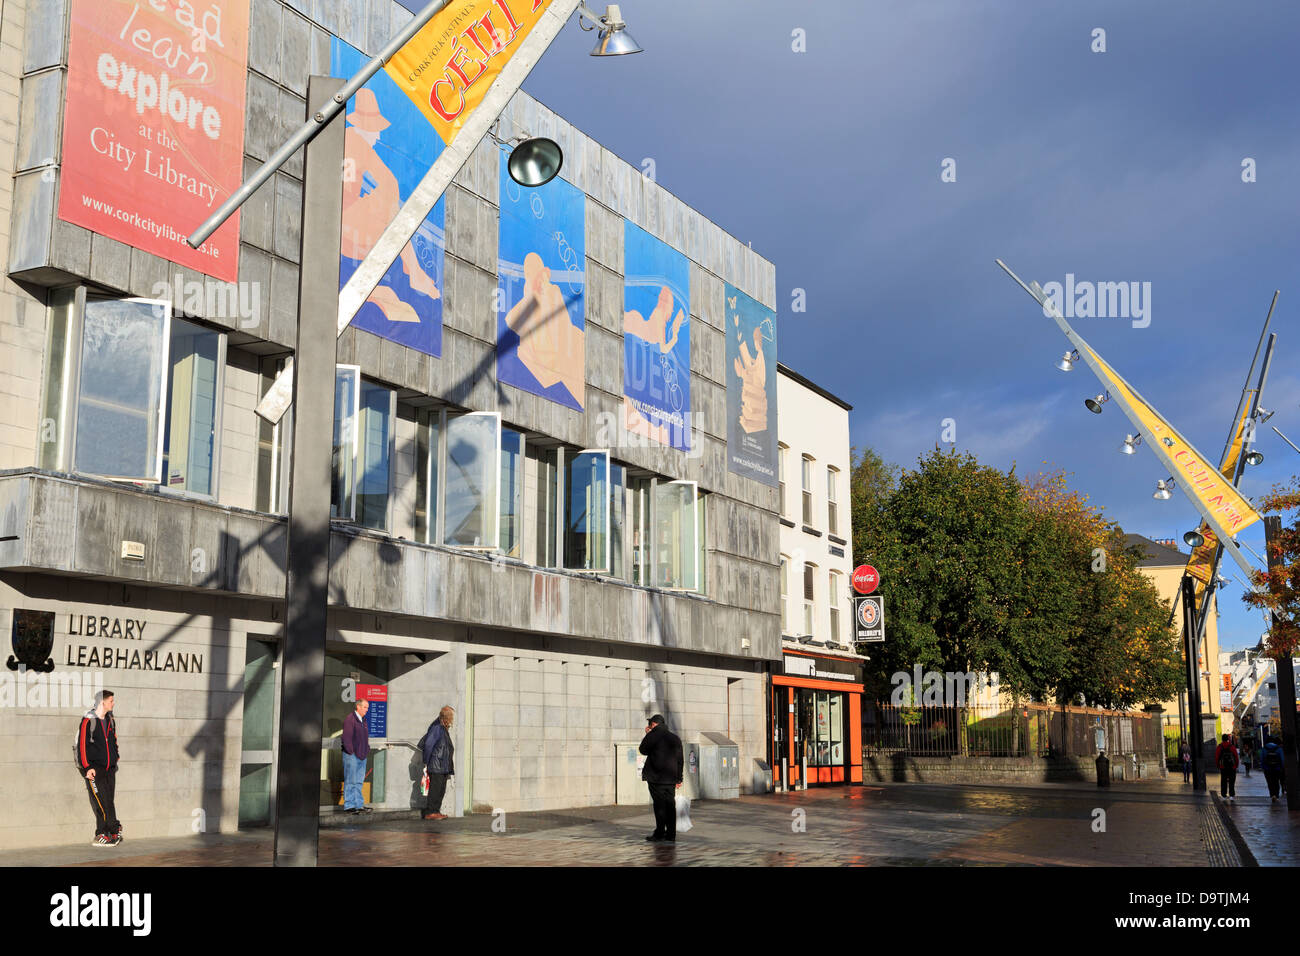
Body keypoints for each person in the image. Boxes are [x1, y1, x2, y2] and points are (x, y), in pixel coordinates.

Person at [76, 690, 121, 847]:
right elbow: (82, 745)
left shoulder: (109, 719)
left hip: (110, 768)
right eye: (111, 701)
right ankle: (101, 833)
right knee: (100, 801)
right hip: (94, 769)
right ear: (102, 702)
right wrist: (87, 767)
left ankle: (112, 831)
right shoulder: (88, 721)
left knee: (109, 800)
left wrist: (116, 757)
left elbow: (113, 740)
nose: (113, 703)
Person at [639, 714, 683, 843]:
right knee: (670, 805)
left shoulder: (653, 736)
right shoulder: (675, 738)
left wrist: (648, 735)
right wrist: (679, 778)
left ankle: (659, 833)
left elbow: (643, 750)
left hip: (655, 778)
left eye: (650, 725)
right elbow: (680, 760)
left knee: (659, 806)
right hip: (670, 779)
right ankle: (671, 834)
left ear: (653, 724)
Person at [421, 706, 456, 820]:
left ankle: (436, 811)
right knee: (435, 790)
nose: (452, 719)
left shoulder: (443, 728)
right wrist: (426, 761)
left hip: (443, 765)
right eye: (451, 716)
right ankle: (430, 812)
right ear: (447, 717)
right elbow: (428, 745)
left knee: (441, 790)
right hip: (437, 765)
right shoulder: (437, 728)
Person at [341, 699, 372, 814]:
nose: (367, 710)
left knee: (359, 781)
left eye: (367, 708)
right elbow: (346, 738)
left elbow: (364, 738)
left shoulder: (363, 720)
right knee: (351, 780)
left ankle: (358, 804)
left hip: (362, 755)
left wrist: (366, 749)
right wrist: (351, 752)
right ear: (358, 707)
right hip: (352, 756)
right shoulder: (350, 719)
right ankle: (349, 805)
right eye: (365, 707)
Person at [1214, 733, 1239, 803]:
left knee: (1223, 781)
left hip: (1223, 766)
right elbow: (1236, 757)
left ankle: (1224, 795)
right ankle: (1231, 795)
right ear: (1228, 739)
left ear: (1222, 739)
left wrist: (1218, 765)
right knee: (1232, 781)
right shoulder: (1232, 747)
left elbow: (1216, 757)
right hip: (1232, 767)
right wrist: (1236, 765)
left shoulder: (1219, 747)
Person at [1262, 735, 1286, 803]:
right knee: (1276, 782)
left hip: (1267, 769)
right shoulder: (1278, 748)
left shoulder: (1264, 748)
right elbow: (1282, 759)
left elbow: (1262, 759)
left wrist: (1263, 767)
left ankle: (1272, 795)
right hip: (1277, 768)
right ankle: (1276, 795)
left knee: (1270, 782)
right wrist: (1282, 767)